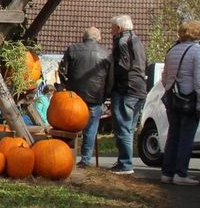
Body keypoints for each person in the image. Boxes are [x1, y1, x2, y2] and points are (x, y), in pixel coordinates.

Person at [58, 26, 111, 168]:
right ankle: (85, 160)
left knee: (68, 126)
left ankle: (65, 156)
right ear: (99, 39)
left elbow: (62, 70)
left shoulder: (73, 49)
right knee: (91, 128)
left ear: (83, 37)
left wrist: (66, 86)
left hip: (73, 97)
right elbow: (110, 79)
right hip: (95, 96)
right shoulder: (106, 54)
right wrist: (105, 95)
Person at [158, 20, 200, 185]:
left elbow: (165, 77)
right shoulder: (197, 51)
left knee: (173, 135)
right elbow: (198, 81)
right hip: (189, 99)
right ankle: (181, 174)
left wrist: (171, 89)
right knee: (186, 138)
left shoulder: (172, 51)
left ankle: (167, 172)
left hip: (173, 99)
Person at [108, 14, 148, 175]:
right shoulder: (138, 41)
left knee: (123, 127)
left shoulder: (122, 41)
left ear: (119, 28)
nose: (110, 31)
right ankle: (124, 162)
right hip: (140, 89)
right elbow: (145, 63)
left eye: (112, 27)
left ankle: (125, 164)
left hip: (126, 89)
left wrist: (110, 74)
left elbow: (124, 65)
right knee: (129, 128)